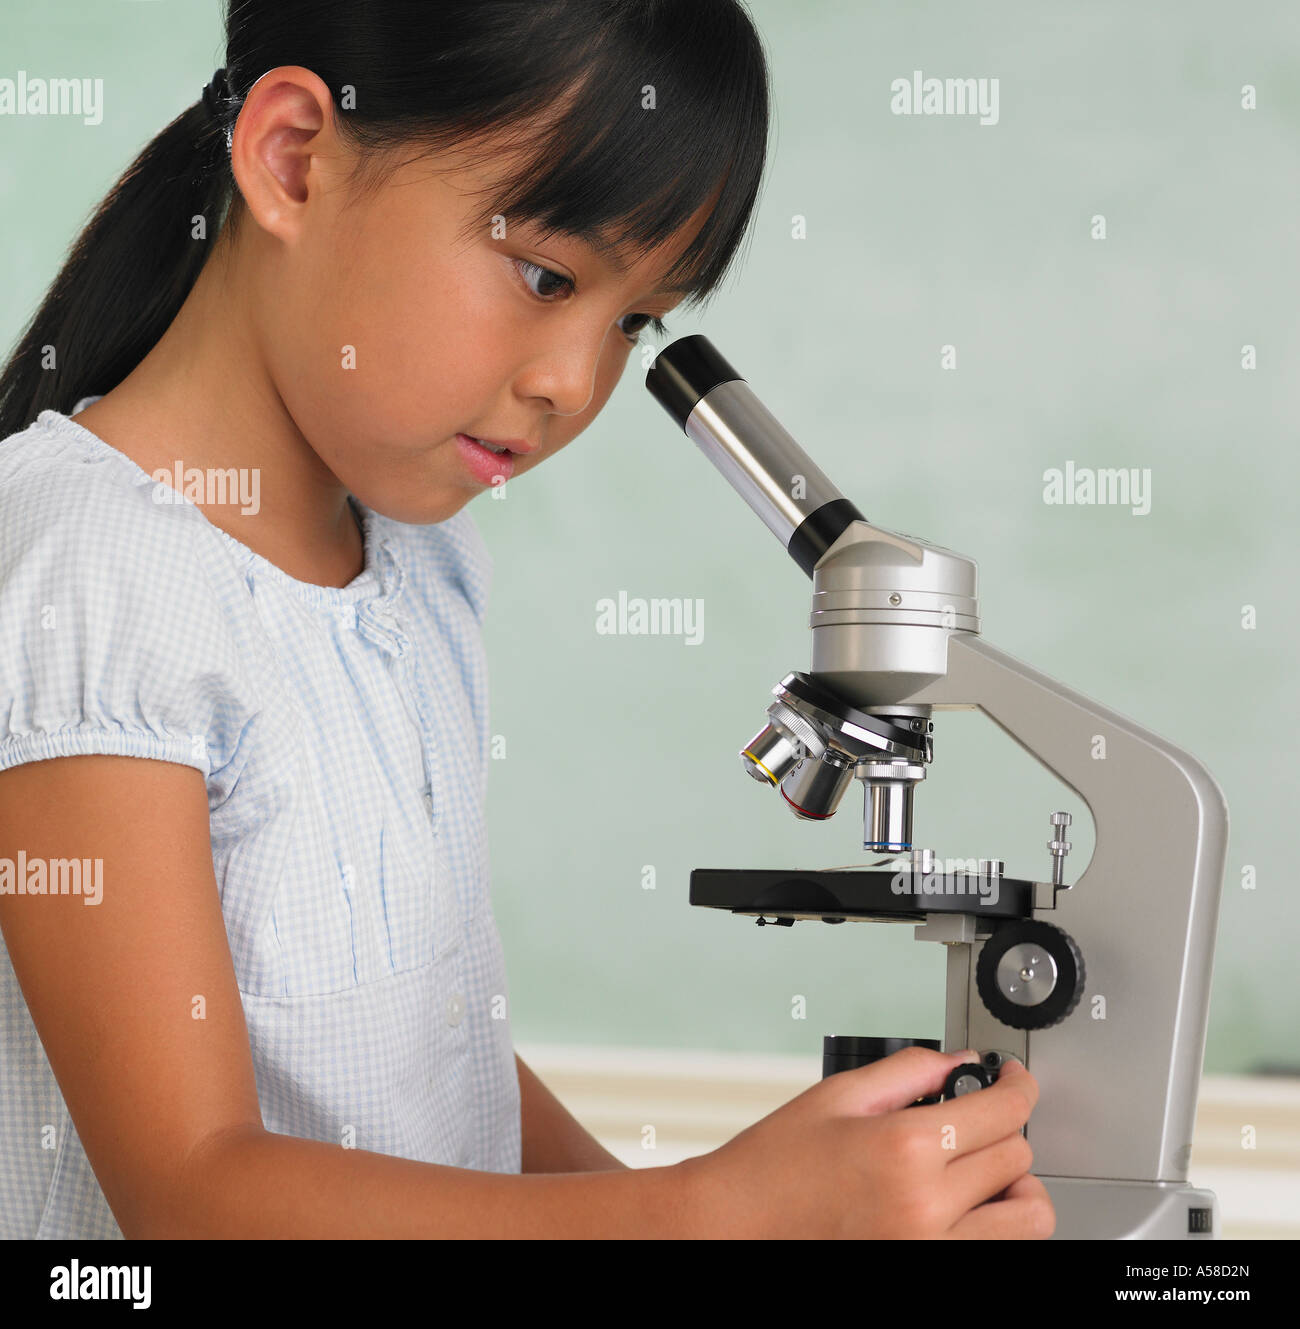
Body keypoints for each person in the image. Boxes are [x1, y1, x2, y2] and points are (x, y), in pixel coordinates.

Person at [0, 0, 1053, 1239]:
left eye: (631, 322)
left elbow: (424, 1050)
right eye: (544, 273)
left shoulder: (423, 563)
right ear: (292, 158)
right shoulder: (89, 570)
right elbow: (195, 1193)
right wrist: (710, 1217)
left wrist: (745, 1211)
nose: (573, 383)